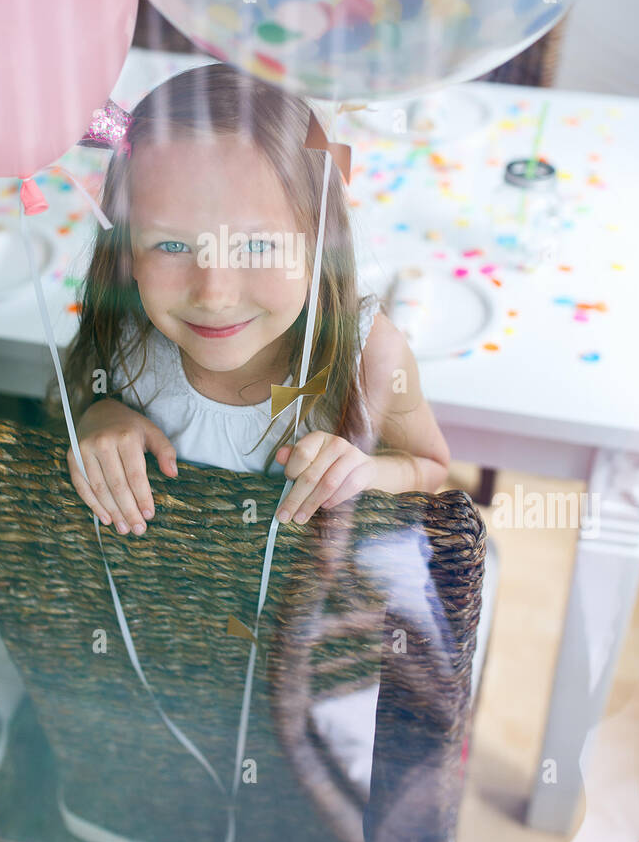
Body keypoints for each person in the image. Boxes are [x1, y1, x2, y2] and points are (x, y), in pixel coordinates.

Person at [57, 61, 450, 535]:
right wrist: (100, 416)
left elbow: (431, 469)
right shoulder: (127, 330)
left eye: (257, 246)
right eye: (173, 245)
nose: (214, 294)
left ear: (317, 245)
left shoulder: (368, 355)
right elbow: (75, 404)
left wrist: (369, 474)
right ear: (126, 251)